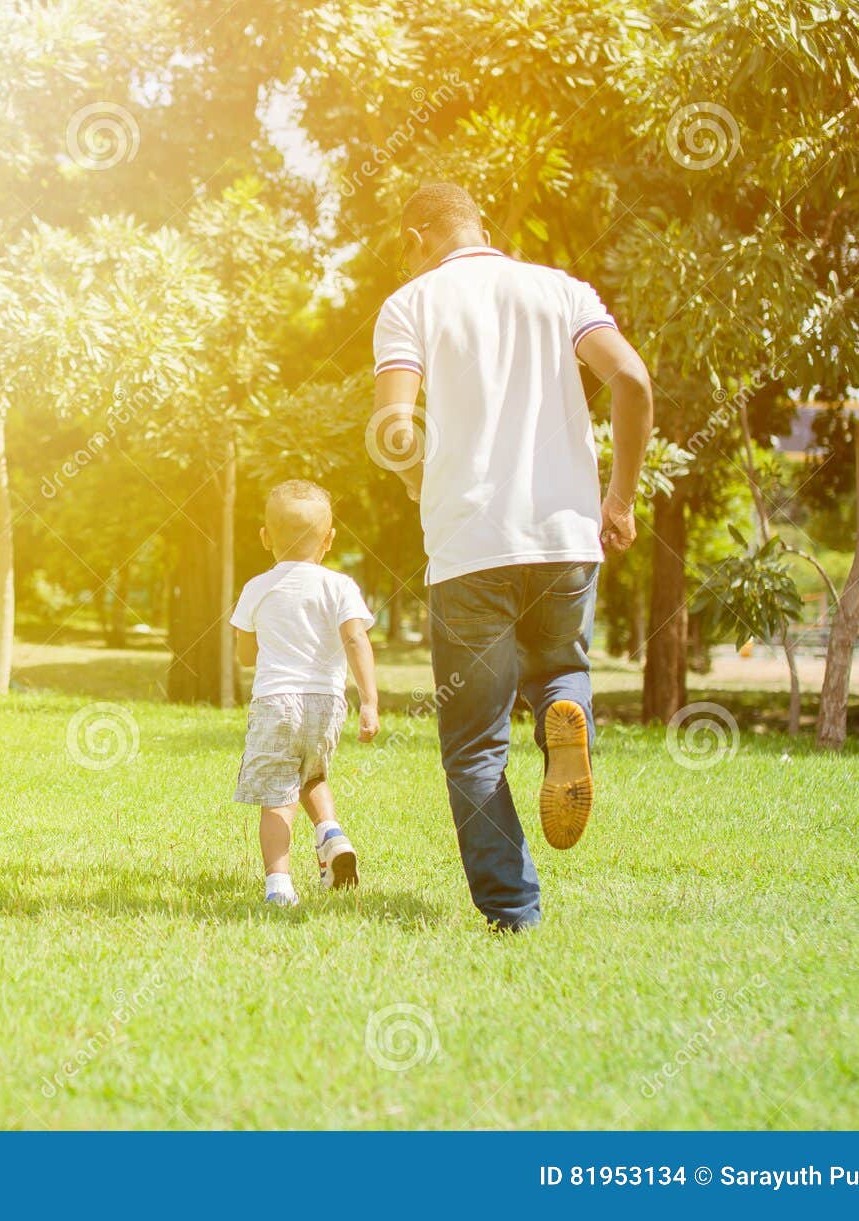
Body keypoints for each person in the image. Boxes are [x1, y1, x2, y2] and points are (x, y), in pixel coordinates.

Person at [371, 183, 653, 931]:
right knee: (559, 664)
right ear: (483, 228)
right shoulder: (561, 290)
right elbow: (631, 379)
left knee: (472, 746)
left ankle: (514, 910)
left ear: (416, 236)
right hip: (565, 536)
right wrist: (617, 502)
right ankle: (567, 712)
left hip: (469, 546)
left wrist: (412, 473)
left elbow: (396, 424)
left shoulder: (411, 303)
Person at [230, 480, 380, 907]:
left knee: (276, 795)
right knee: (312, 775)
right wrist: (368, 701)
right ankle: (331, 835)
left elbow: (245, 656)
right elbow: (356, 641)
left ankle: (279, 887)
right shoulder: (340, 586)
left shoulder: (257, 587)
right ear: (329, 539)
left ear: (264, 537)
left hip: (276, 702)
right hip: (327, 703)